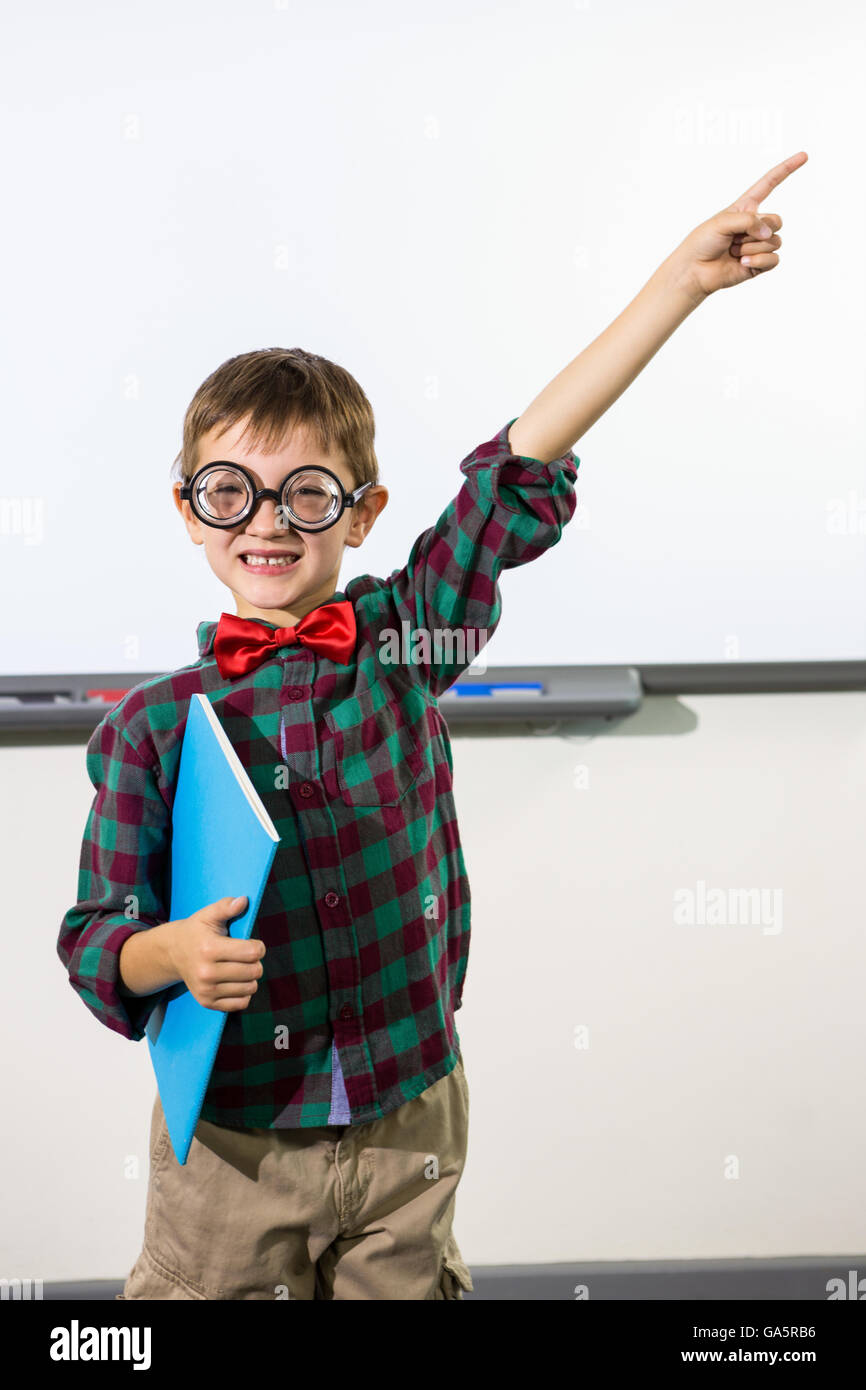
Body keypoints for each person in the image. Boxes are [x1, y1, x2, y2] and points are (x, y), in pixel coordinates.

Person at [56, 152, 806, 1300]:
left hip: (408, 1108)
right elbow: (95, 938)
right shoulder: (159, 726)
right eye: (230, 491)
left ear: (361, 512)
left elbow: (514, 472)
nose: (268, 521)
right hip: (234, 1146)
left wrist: (675, 287)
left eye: (306, 492)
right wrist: (173, 956)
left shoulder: (402, 648)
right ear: (189, 508)